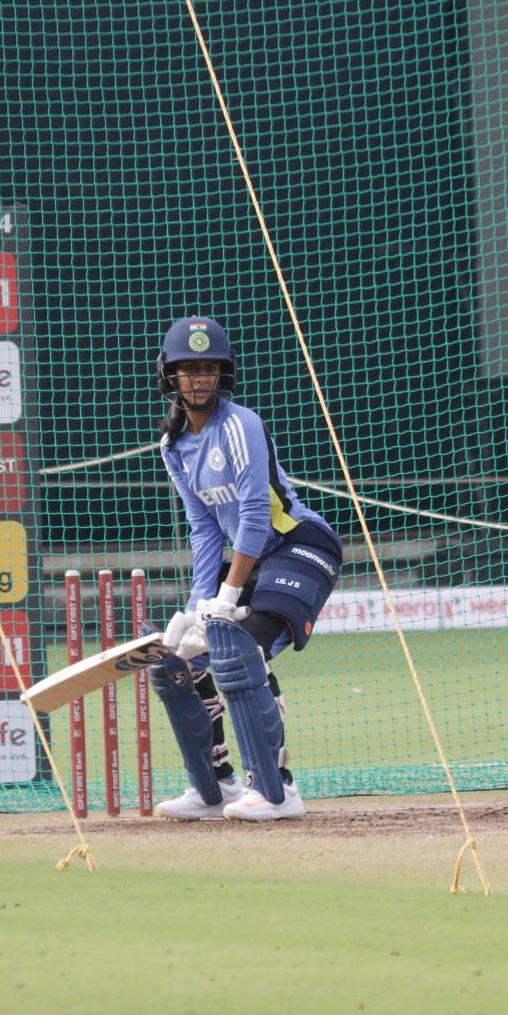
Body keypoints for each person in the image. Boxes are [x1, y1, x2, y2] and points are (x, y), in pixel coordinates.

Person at [149, 315, 343, 821]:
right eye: (188, 369)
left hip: (299, 545)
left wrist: (228, 596)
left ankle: (278, 791)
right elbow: (205, 529)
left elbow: (256, 514)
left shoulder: (240, 425)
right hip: (250, 557)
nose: (199, 379)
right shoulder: (174, 447)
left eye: (208, 368)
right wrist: (196, 608)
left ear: (223, 375)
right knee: (180, 663)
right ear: (169, 375)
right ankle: (216, 789)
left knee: (241, 647)